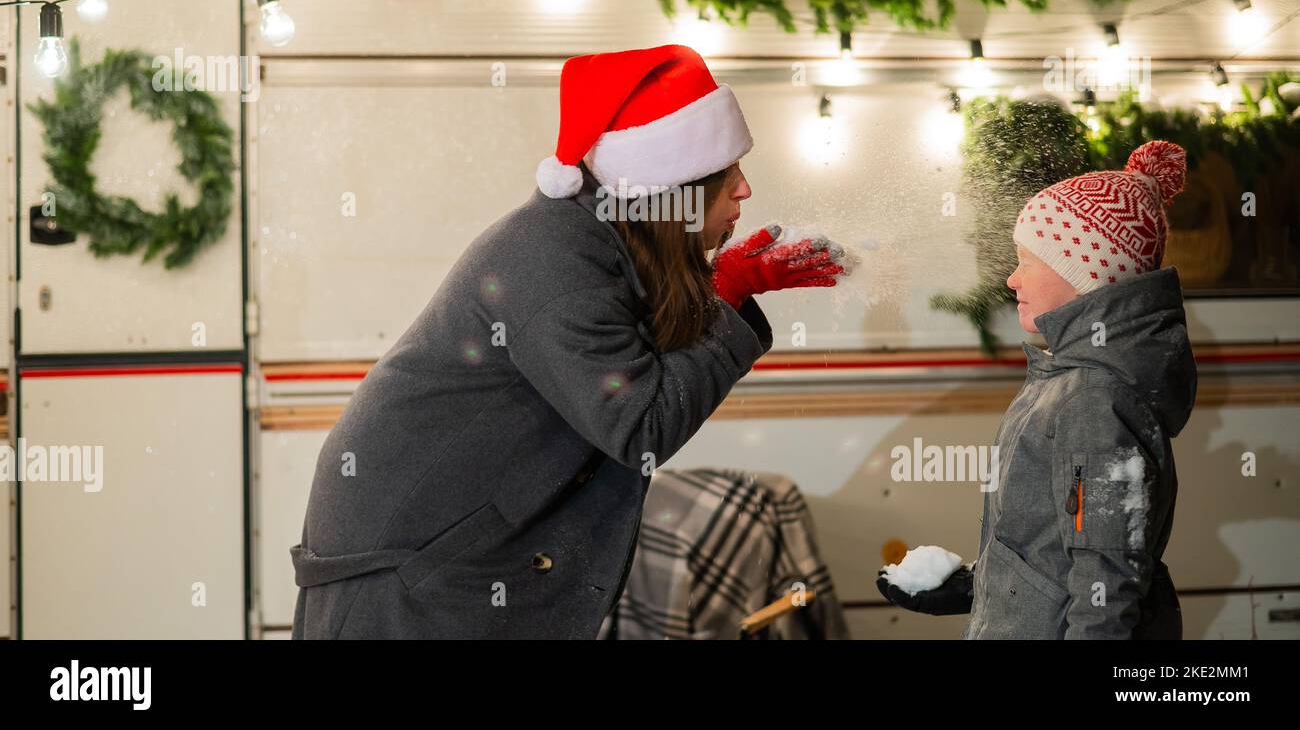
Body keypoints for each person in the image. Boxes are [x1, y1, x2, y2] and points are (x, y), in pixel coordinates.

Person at [290, 44, 846, 638]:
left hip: (441, 561)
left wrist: (719, 291)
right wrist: (727, 297)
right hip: (409, 579)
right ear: (672, 188)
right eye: (727, 174)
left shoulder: (594, 240)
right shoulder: (553, 259)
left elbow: (629, 354)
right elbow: (639, 423)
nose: (745, 191)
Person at [878, 140, 1196, 638]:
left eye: (1027, 261)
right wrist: (977, 586)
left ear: (1084, 274)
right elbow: (1055, 553)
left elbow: (1106, 589)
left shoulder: (1094, 400)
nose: (1012, 278)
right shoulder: (1066, 379)